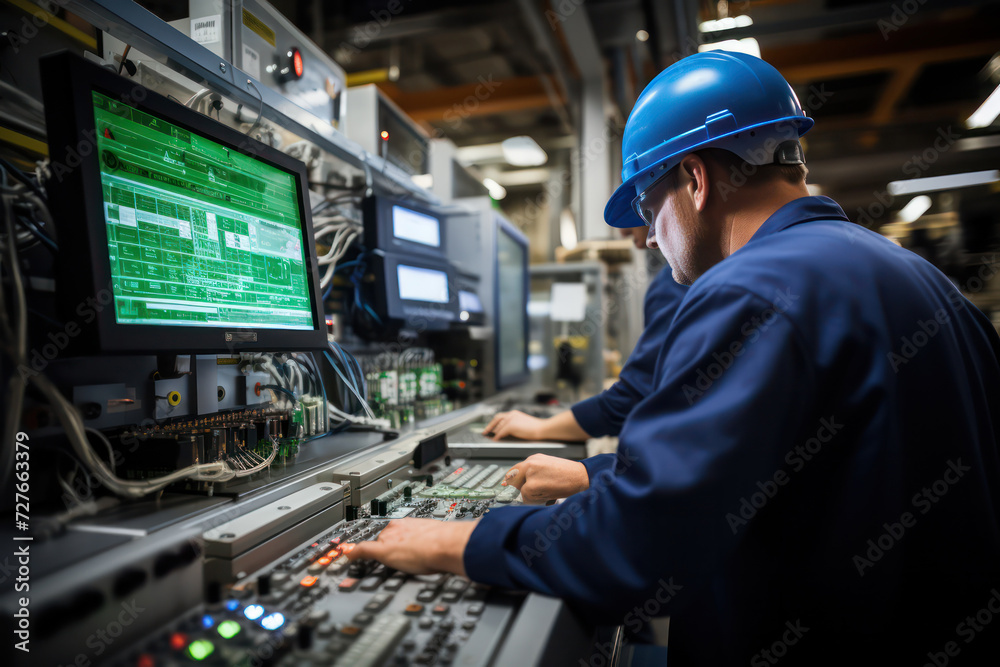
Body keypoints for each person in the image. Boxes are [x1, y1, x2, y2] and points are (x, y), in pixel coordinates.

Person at [349, 52, 1000, 664]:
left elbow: (640, 549)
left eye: (650, 207)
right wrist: (602, 481)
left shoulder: (748, 289)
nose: (652, 238)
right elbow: (790, 473)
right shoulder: (921, 279)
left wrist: (460, 541)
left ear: (694, 179)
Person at [481, 225, 687, 503]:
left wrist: (547, 434)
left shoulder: (680, 277)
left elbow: (634, 396)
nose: (624, 231)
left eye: (642, 206)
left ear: (697, 184)